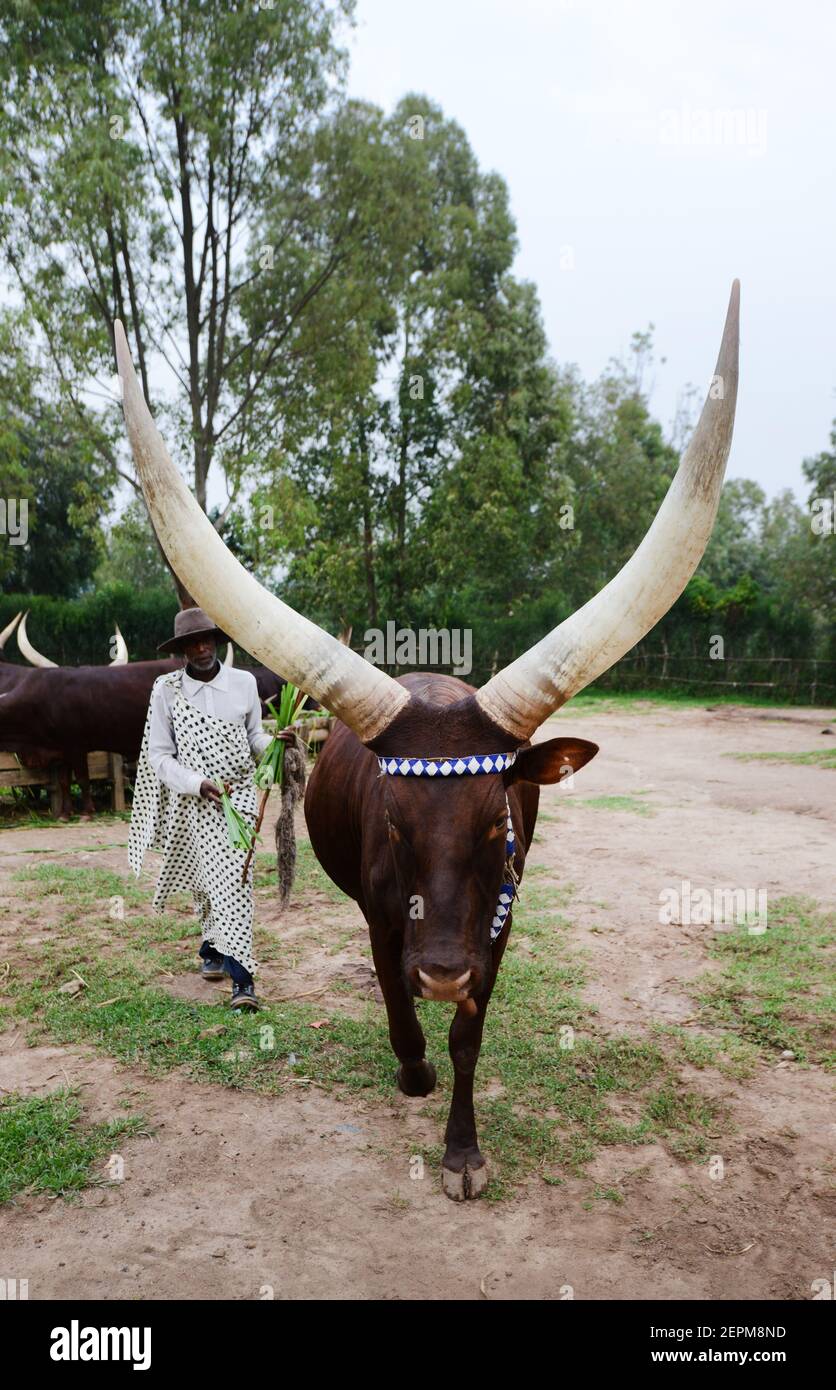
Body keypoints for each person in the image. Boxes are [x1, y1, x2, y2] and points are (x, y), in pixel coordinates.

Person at [127, 607, 291, 1010]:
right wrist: (196, 784)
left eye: (207, 640)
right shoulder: (167, 691)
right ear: (181, 649)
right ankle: (211, 950)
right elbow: (160, 757)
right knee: (206, 881)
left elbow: (253, 736)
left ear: (217, 641)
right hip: (195, 801)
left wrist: (274, 746)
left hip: (239, 798)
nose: (201, 648)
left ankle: (243, 981)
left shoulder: (244, 683)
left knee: (236, 884)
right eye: (191, 643)